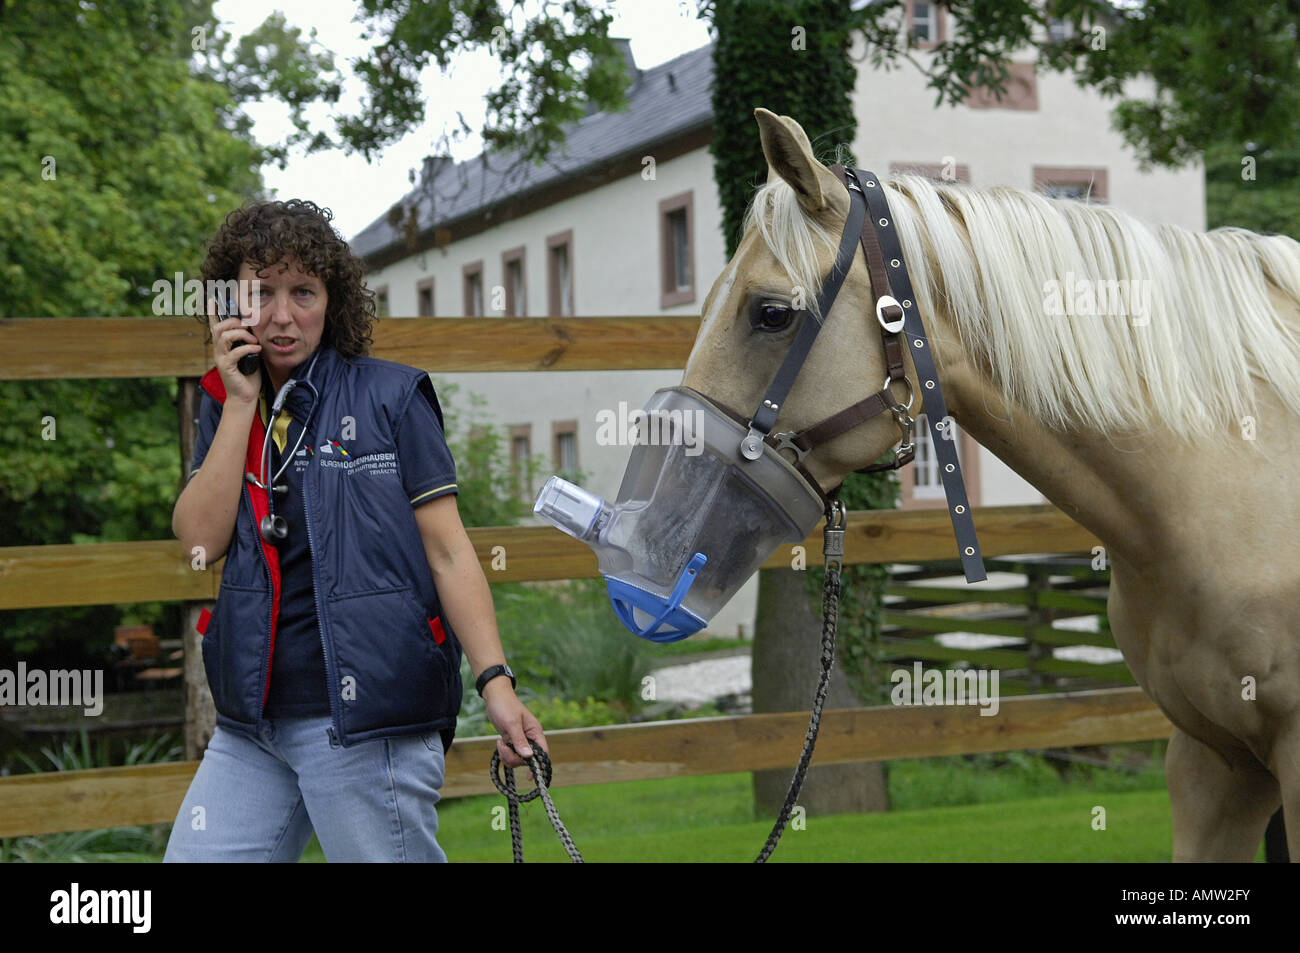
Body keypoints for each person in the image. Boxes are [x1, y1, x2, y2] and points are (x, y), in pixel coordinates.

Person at [164, 199, 546, 862]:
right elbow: (200, 541)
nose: (282, 315)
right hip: (252, 724)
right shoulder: (229, 405)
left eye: (303, 292)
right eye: (261, 293)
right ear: (231, 303)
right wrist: (240, 404)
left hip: (367, 719)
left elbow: (449, 551)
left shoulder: (393, 397)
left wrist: (496, 682)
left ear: (331, 300)